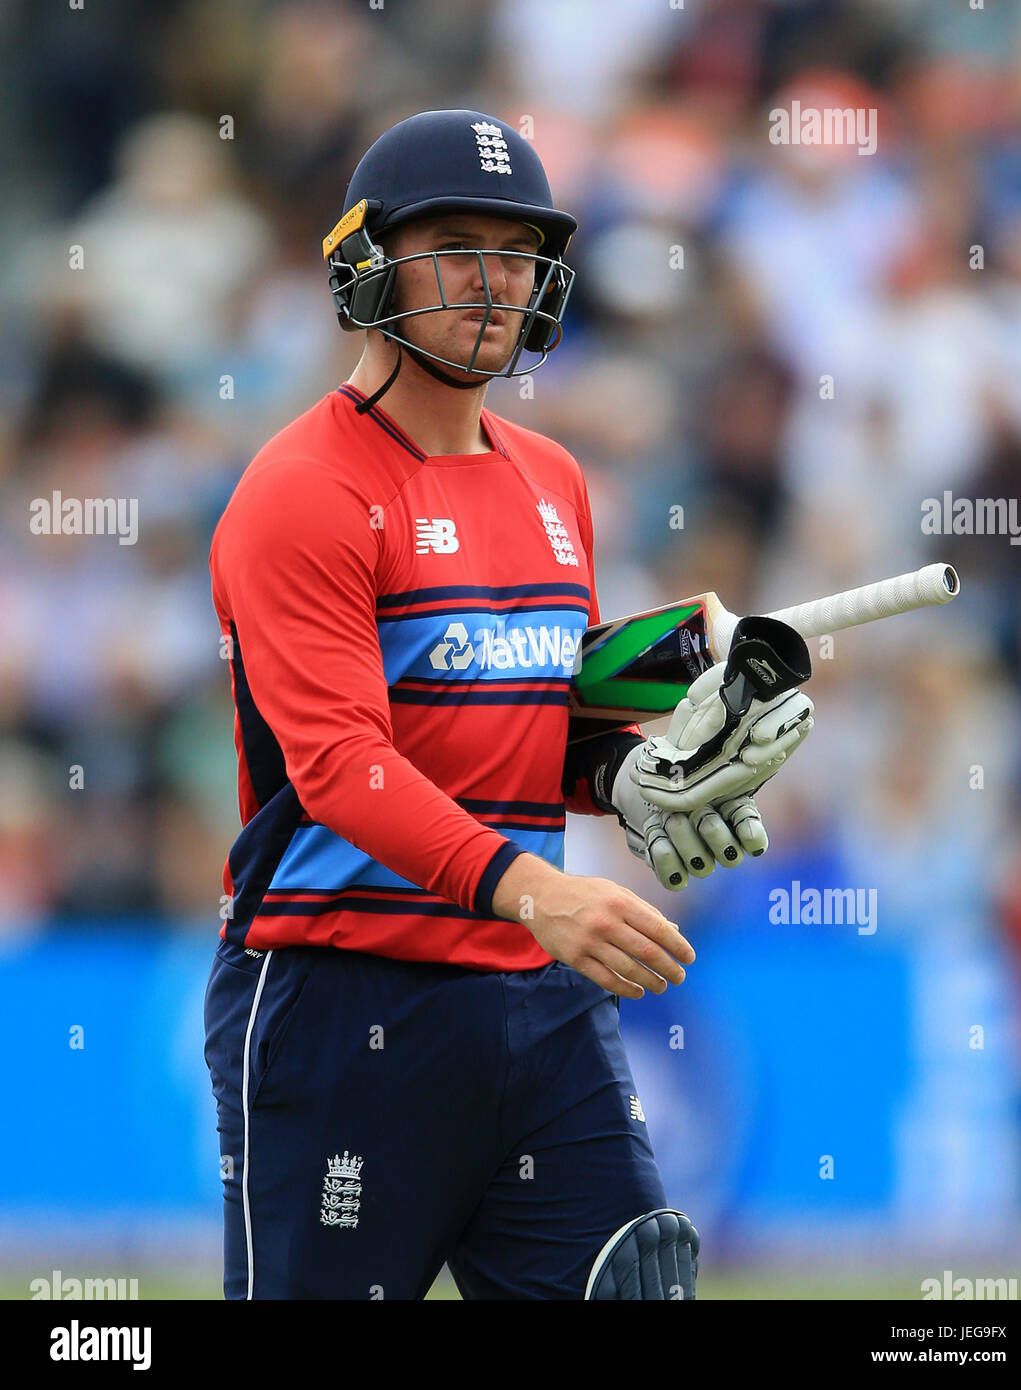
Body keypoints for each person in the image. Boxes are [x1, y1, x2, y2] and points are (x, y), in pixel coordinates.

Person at [203, 110, 812, 1300]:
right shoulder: (300, 491)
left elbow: (538, 705)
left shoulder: (556, 480)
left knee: (637, 1285)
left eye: (516, 251)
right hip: (343, 997)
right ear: (366, 264)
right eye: (456, 244)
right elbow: (339, 763)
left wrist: (630, 769)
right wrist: (540, 890)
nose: (492, 281)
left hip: (534, 998)